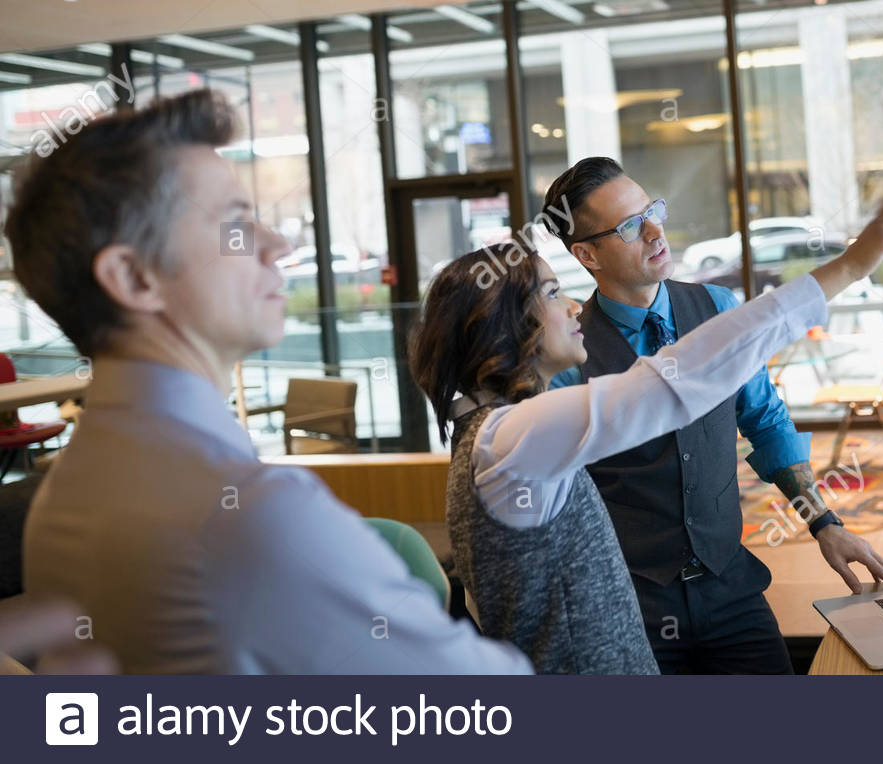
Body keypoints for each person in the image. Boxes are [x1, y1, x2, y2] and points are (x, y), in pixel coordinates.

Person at [4, 90, 530, 675]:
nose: (276, 244)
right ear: (132, 276)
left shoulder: (59, 503)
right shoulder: (250, 517)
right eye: (233, 223)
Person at [409, 164, 883, 674]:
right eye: (631, 226)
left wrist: (822, 522)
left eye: (652, 211)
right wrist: (853, 265)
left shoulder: (492, 430)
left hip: (727, 586)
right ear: (586, 255)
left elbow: (764, 420)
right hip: (639, 611)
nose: (655, 230)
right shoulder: (522, 427)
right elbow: (670, 386)